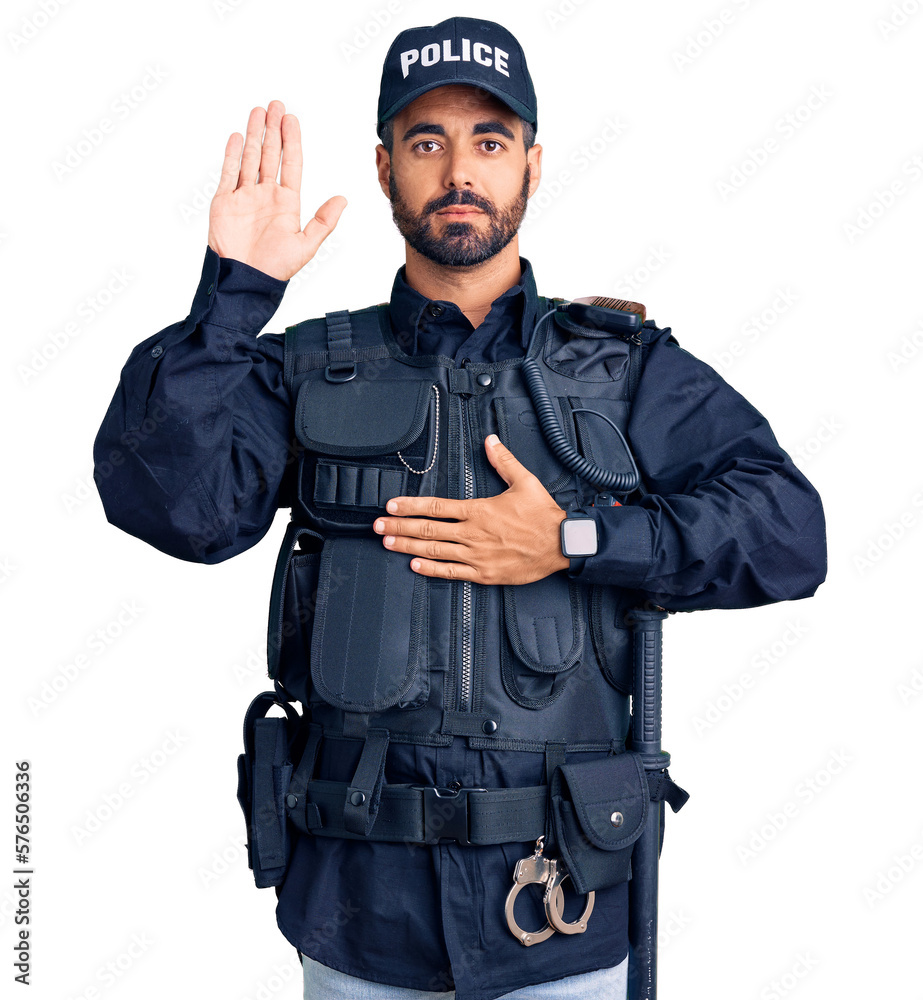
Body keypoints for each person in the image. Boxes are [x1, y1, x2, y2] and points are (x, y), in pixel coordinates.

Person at [92, 16, 826, 1000]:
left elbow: (788, 530)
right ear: (386, 166)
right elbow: (169, 507)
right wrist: (232, 299)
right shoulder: (304, 367)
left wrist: (573, 539)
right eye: (426, 141)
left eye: (486, 141)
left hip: (558, 907)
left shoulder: (621, 369)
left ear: (530, 161)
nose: (457, 171)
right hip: (359, 913)